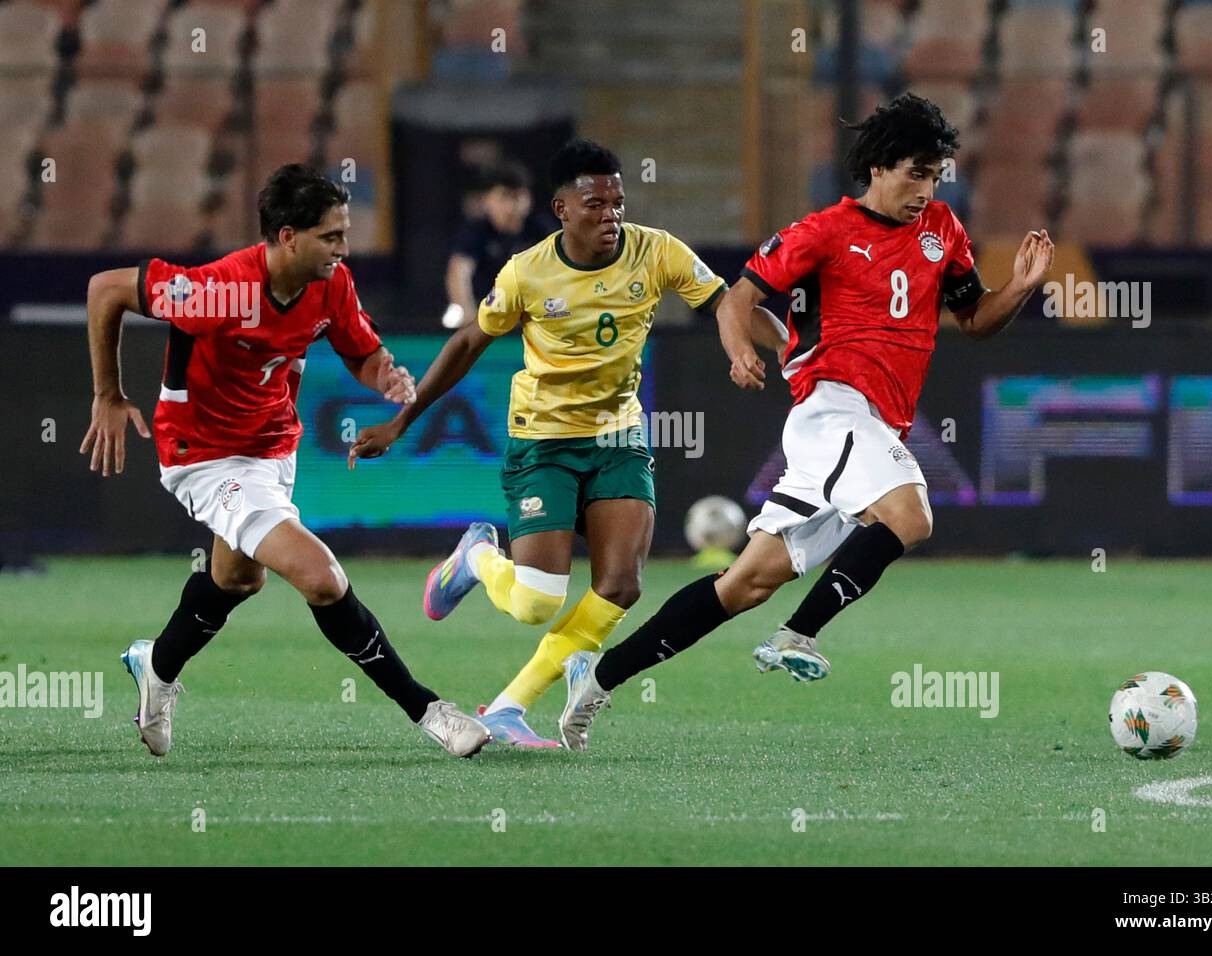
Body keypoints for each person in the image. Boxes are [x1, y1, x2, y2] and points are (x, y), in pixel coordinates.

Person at [558, 93, 1055, 750]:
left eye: (934, 175)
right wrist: (739, 349)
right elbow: (740, 298)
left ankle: (597, 676)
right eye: (914, 172)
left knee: (744, 583)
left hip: (871, 430)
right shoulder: (823, 231)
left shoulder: (942, 231)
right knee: (911, 516)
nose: (925, 188)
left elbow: (975, 320)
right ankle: (799, 635)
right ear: (877, 166)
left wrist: (1017, 289)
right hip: (832, 409)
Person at [348, 139, 786, 747]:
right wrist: (402, 420)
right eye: (594, 204)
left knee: (621, 586)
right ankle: (476, 557)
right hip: (544, 442)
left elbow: (729, 304)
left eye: (618, 202)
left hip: (619, 437)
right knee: (534, 604)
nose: (610, 215)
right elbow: (469, 341)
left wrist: (788, 349)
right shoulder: (526, 272)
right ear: (560, 208)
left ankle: (508, 707)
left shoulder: (656, 252)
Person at [80, 164, 491, 759]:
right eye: (331, 236)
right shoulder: (218, 289)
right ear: (288, 237)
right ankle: (430, 710)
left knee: (238, 579)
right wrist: (108, 394)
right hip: (206, 455)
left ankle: (155, 665)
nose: (343, 248)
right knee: (321, 578)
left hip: (274, 445)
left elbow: (362, 351)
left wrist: (388, 379)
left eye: (344, 233)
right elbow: (105, 289)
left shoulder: (332, 283)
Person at [443, 161, 551, 328]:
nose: (511, 206)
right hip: (487, 319)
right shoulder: (475, 232)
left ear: (528, 199)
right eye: (503, 197)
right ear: (487, 200)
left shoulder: (542, 230)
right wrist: (469, 316)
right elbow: (459, 271)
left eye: (517, 197)